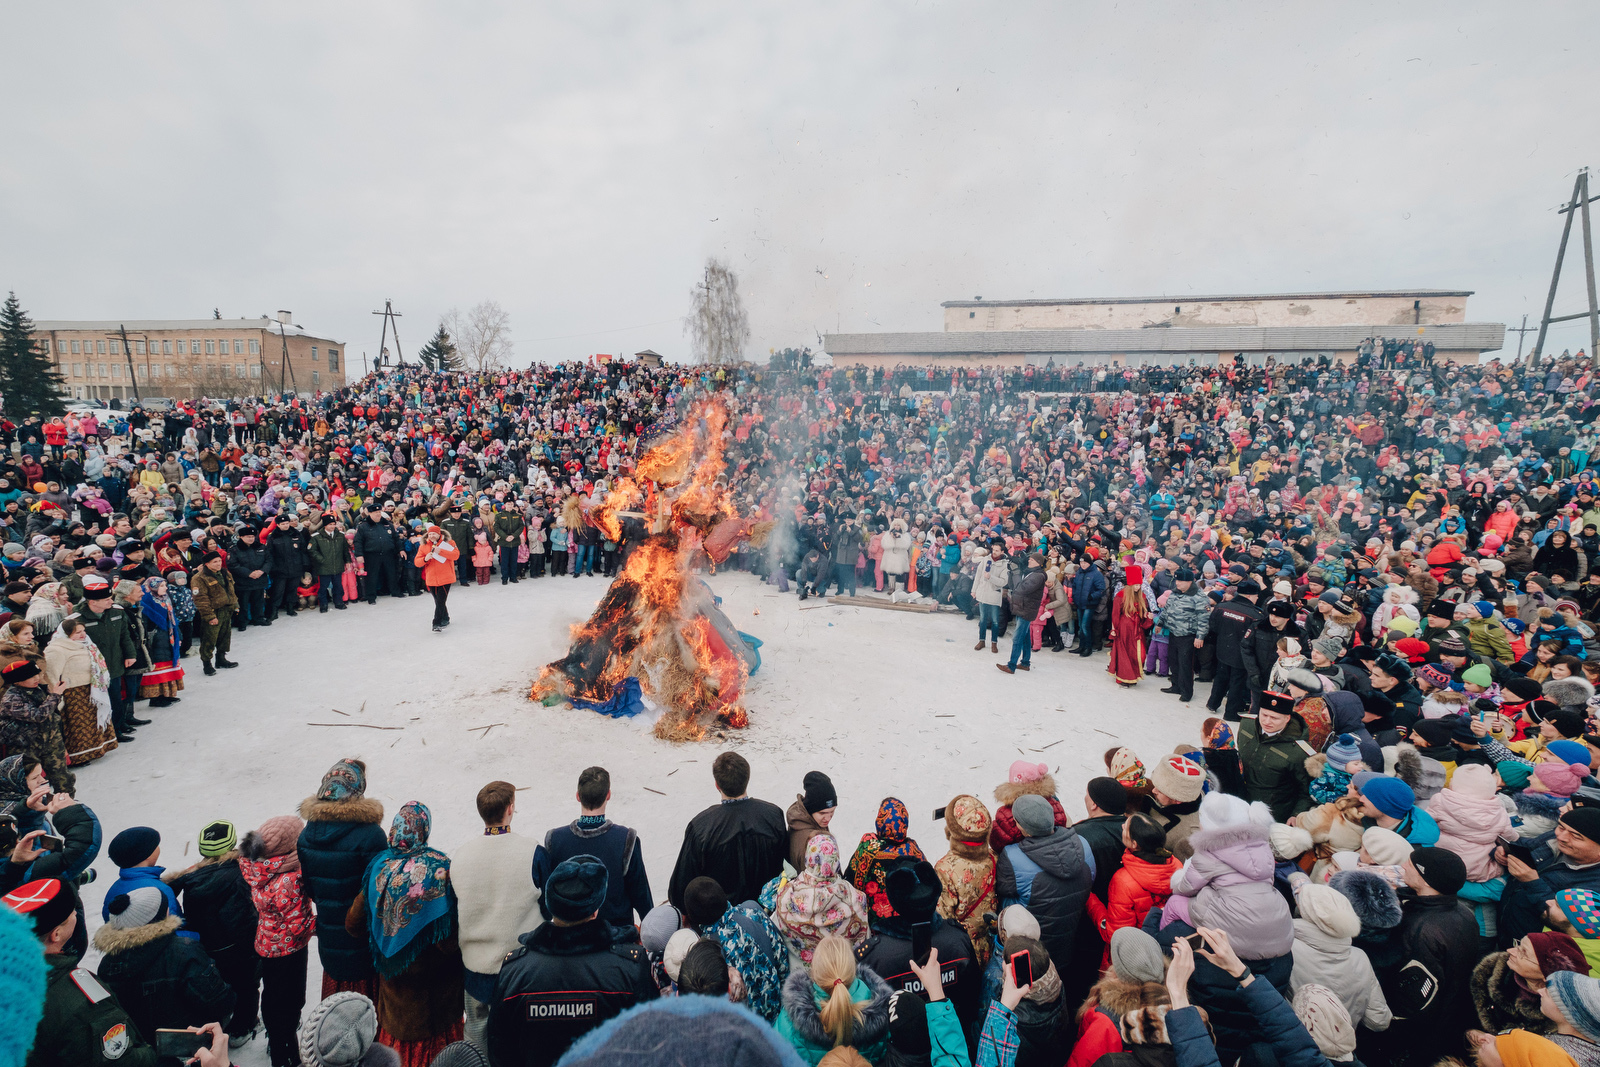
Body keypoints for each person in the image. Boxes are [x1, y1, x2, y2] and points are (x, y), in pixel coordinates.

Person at [487, 855, 658, 1067]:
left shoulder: (514, 970)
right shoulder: (630, 967)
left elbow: (499, 1052)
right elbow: (651, 1045)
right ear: (595, 909)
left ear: (551, 905)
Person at [346, 800, 465, 1063]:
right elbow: (449, 943)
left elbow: (352, 925)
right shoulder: (438, 869)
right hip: (438, 1007)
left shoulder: (379, 868)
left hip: (397, 1007)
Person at [6, 876, 162, 1067]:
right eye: (72, 913)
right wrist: (155, 1057)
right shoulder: (79, 1002)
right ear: (56, 934)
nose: (75, 916)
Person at [452, 780, 542, 1052]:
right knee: (520, 1043)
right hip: (520, 970)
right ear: (510, 809)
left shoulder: (461, 856)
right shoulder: (532, 852)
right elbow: (549, 905)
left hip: (475, 969)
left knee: (477, 1044)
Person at [94, 885, 237, 1043]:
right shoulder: (184, 952)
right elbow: (219, 1001)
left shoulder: (107, 964)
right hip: (186, 1039)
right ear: (162, 916)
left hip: (142, 1042)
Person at [298, 757, 388, 1001]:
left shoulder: (307, 835)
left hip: (330, 937)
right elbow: (380, 889)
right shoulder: (370, 835)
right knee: (365, 1010)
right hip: (363, 938)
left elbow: (312, 889)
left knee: (338, 1009)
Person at [168, 820, 263, 1048]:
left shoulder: (191, 879)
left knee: (221, 985)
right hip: (239, 949)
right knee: (247, 987)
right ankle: (243, 1026)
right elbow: (242, 918)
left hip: (207, 947)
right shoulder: (237, 875)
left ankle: (223, 1020)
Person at [532, 765, 652, 929]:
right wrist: (651, 931)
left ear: (577, 796)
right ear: (608, 795)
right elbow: (641, 896)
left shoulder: (555, 839)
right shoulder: (626, 839)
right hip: (615, 939)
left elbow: (547, 895)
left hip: (568, 939)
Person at [240, 814, 316, 1067]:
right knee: (290, 1001)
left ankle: (277, 1039)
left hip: (267, 941)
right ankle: (287, 1056)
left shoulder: (257, 868)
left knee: (273, 996)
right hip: (289, 949)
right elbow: (298, 926)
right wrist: (325, 925)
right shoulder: (288, 880)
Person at [668, 752, 787, 910]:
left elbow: (680, 889)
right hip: (768, 910)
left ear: (717, 785)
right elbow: (787, 865)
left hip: (719, 918)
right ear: (747, 778)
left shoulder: (701, 827)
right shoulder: (773, 816)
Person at [774, 933, 895, 1064]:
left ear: (815, 971)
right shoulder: (884, 1010)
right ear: (853, 969)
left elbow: (774, 1055)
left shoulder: (790, 1021)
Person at [73, 574, 141, 739]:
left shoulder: (116, 612)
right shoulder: (76, 618)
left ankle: (118, 727)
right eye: (106, 599)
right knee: (101, 700)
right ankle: (106, 732)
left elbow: (125, 635)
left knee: (116, 698)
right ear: (92, 602)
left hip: (114, 662)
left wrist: (130, 654)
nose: (111, 601)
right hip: (93, 668)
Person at [1159, 567, 1211, 703]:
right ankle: (1175, 686)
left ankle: (1186, 692)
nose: (1178, 583)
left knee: (1185, 665)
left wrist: (1200, 636)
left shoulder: (1199, 597)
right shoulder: (1174, 593)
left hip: (1187, 635)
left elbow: (1204, 618)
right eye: (1177, 580)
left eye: (1181, 581)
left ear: (1190, 582)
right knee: (1173, 661)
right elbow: (1166, 610)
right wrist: (1160, 623)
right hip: (1173, 632)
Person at [190, 551, 239, 676]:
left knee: (224, 636)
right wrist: (209, 616)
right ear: (207, 564)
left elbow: (231, 590)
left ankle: (221, 659)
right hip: (213, 612)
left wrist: (235, 605)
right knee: (209, 639)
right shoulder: (199, 578)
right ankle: (207, 664)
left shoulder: (225, 573)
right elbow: (200, 599)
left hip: (226, 609)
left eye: (219, 561)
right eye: (215, 562)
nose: (218, 564)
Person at [997, 553, 1045, 675]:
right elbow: (1013, 586)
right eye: (1029, 558)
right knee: (1025, 637)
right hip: (1021, 608)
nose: (1029, 560)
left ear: (1039, 563)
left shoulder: (1038, 576)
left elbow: (1021, 589)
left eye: (1032, 559)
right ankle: (1025, 663)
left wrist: (1017, 570)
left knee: (1017, 638)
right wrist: (1011, 572)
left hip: (1026, 610)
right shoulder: (1029, 573)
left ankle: (1011, 665)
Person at [1105, 564, 1153, 687]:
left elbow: (1143, 615)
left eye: (1139, 584)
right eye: (1136, 585)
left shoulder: (1142, 596)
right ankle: (1124, 677)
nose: (1138, 587)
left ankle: (1134, 674)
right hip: (1124, 628)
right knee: (1124, 654)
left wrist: (1148, 618)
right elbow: (1115, 614)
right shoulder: (1120, 596)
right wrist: (1114, 629)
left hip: (1137, 630)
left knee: (1139, 654)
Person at [786, 770, 837, 871]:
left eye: (832, 811)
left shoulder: (804, 819)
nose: (828, 818)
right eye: (822, 813)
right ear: (811, 809)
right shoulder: (810, 841)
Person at [415, 524, 460, 631]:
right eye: (430, 534)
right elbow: (417, 562)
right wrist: (425, 559)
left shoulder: (449, 543)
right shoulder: (424, 545)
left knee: (440, 601)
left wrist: (441, 552)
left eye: (434, 533)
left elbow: (456, 555)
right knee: (438, 601)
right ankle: (445, 617)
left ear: (439, 534)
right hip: (431, 578)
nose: (431, 536)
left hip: (445, 577)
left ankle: (436, 623)